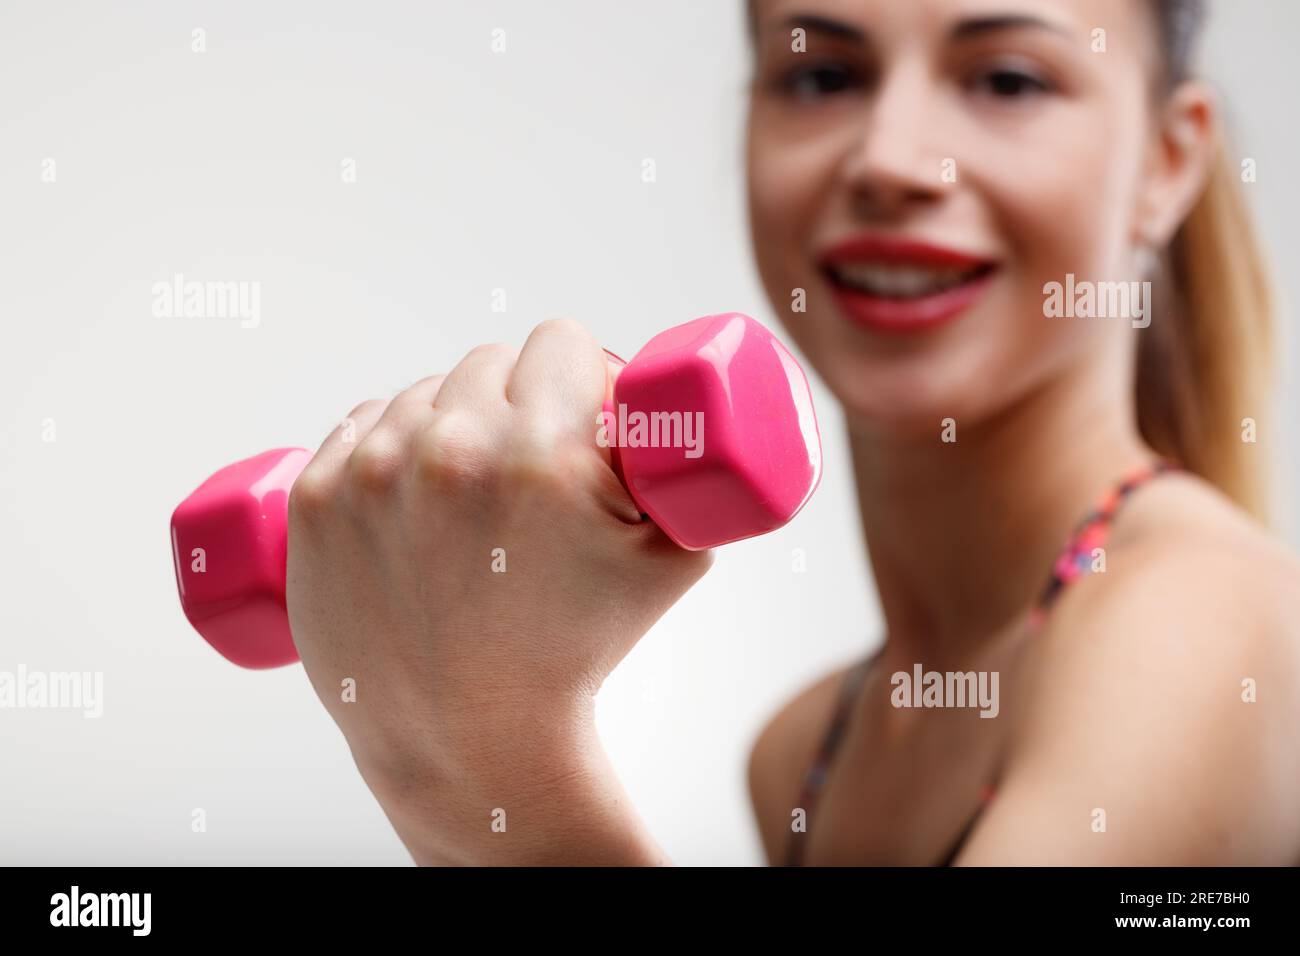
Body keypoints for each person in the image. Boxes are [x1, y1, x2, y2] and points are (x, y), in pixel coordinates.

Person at [283, 0, 1300, 865]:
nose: (891, 160)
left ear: (1168, 163)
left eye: (1005, 79)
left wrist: (486, 769)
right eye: (822, 79)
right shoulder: (803, 750)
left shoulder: (1225, 624)